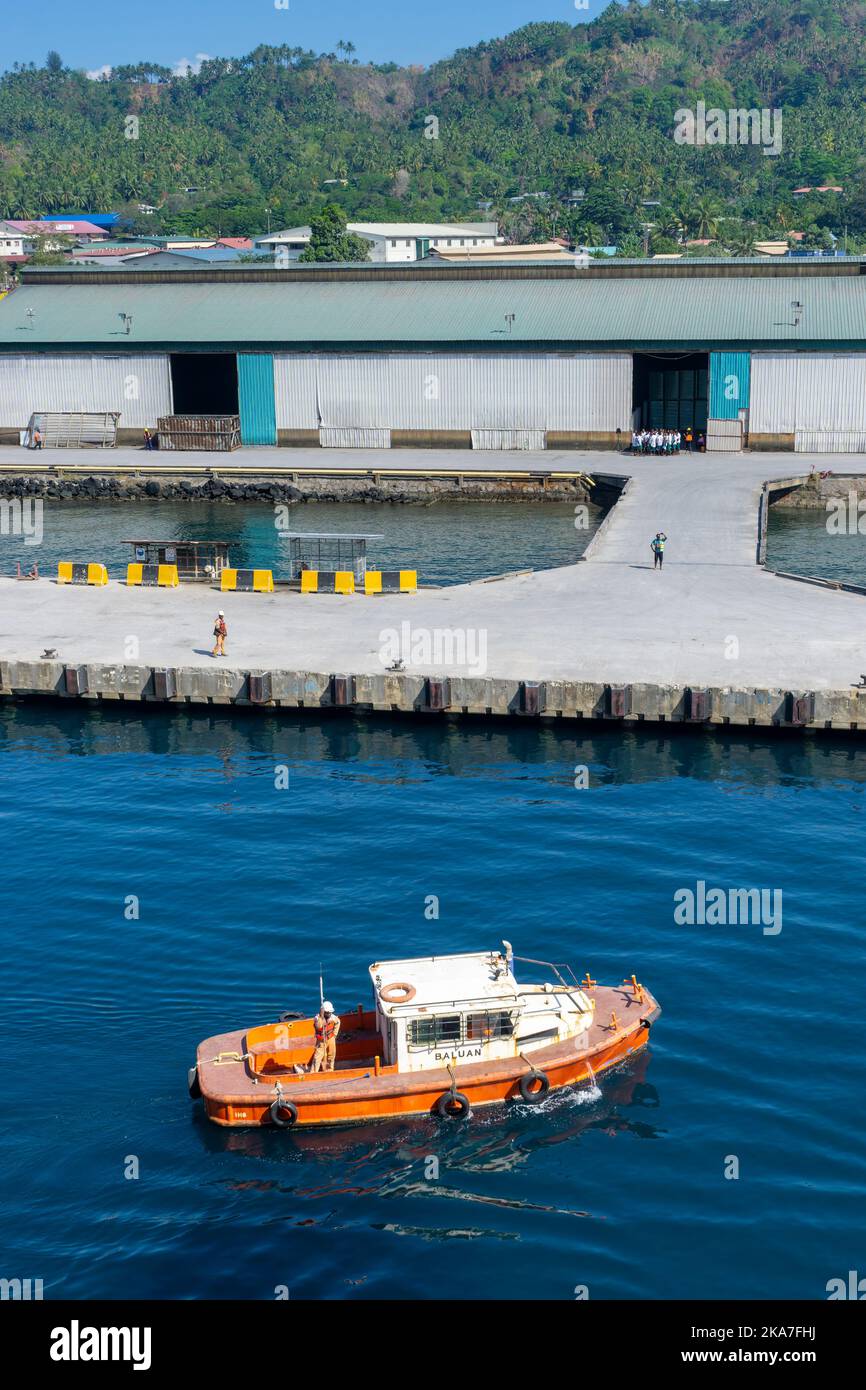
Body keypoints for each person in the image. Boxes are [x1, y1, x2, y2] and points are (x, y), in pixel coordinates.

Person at [310, 1001, 340, 1072]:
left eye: (330, 1012)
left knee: (331, 1055)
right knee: (317, 1058)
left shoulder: (333, 1018)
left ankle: (330, 1069)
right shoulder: (317, 1018)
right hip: (321, 1041)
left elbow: (338, 1022)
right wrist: (321, 1018)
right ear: (324, 1012)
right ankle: (313, 1073)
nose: (329, 1014)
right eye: (328, 1012)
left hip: (331, 1039)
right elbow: (318, 1026)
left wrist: (334, 1034)